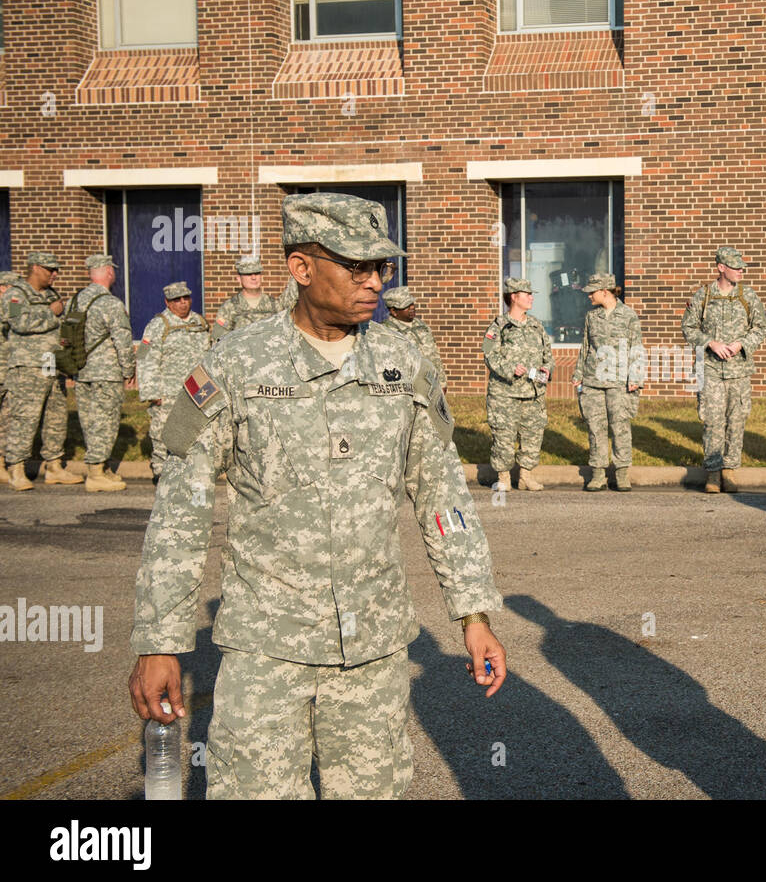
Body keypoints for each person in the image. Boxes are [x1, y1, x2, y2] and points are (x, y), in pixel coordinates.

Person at [128, 192, 505, 800]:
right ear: (301, 268)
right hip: (264, 649)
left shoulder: (404, 366)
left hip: (373, 655)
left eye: (380, 267)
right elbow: (182, 513)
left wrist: (474, 614)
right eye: (355, 266)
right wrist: (159, 642)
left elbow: (442, 495)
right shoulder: (234, 366)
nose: (374, 282)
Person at [681, 246, 766, 493]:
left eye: (742, 266)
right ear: (721, 267)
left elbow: (761, 327)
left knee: (736, 421)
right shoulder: (703, 296)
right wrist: (710, 343)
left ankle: (729, 471)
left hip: (739, 370)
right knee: (712, 421)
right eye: (735, 266)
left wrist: (742, 344)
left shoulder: (748, 296)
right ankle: (713, 472)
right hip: (709, 370)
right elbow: (688, 328)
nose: (741, 270)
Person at [4, 252, 83, 489]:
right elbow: (17, 323)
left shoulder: (51, 295)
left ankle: (54, 466)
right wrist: (51, 313)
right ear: (36, 268)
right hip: (28, 366)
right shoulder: (15, 295)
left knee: (55, 417)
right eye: (51, 269)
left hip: (52, 364)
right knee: (25, 418)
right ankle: (16, 468)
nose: (55, 274)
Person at [573, 272, 644, 492]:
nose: (589, 296)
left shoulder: (629, 316)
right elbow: (585, 347)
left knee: (620, 427)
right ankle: (598, 473)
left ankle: (621, 473)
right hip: (593, 380)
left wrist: (636, 377)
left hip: (620, 382)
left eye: (592, 292)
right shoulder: (591, 317)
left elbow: (637, 348)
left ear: (605, 292)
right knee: (596, 427)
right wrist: (578, 374)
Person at [71, 255, 135, 492]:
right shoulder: (110, 303)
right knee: (105, 422)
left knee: (89, 422)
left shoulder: (75, 300)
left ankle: (101, 467)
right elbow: (123, 339)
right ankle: (95, 474)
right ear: (109, 272)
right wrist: (128, 368)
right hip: (106, 372)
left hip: (81, 370)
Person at [136, 282, 212, 480]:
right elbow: (145, 359)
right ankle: (160, 469)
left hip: (196, 389)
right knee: (162, 431)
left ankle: (189, 468)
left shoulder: (199, 323)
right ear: (167, 303)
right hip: (167, 390)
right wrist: (152, 392)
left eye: (186, 298)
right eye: (176, 300)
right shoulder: (157, 326)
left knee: (196, 430)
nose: (183, 303)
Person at [482, 277, 552, 492]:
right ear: (514, 297)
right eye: (527, 294)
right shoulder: (499, 326)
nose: (531, 298)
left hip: (533, 393)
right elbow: (489, 354)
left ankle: (526, 477)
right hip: (505, 393)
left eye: (531, 294)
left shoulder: (536, 325)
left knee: (533, 434)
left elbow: (547, 354)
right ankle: (503, 478)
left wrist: (547, 369)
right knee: (503, 436)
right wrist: (510, 368)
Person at [380, 285, 445, 383]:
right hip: (407, 385)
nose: (412, 308)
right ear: (393, 311)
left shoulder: (421, 326)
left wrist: (441, 381)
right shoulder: (386, 332)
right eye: (406, 306)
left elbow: (435, 356)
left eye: (412, 303)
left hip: (431, 382)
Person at [213, 256, 280, 339]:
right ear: (239, 279)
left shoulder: (274, 305)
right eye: (248, 274)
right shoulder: (229, 307)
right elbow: (219, 340)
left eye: (257, 273)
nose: (253, 277)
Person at [0, 270, 17, 485]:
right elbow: (15, 319)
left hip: (7, 371)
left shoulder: (11, 305)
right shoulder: (11, 305)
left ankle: (2, 461)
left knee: (7, 419)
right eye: (12, 287)